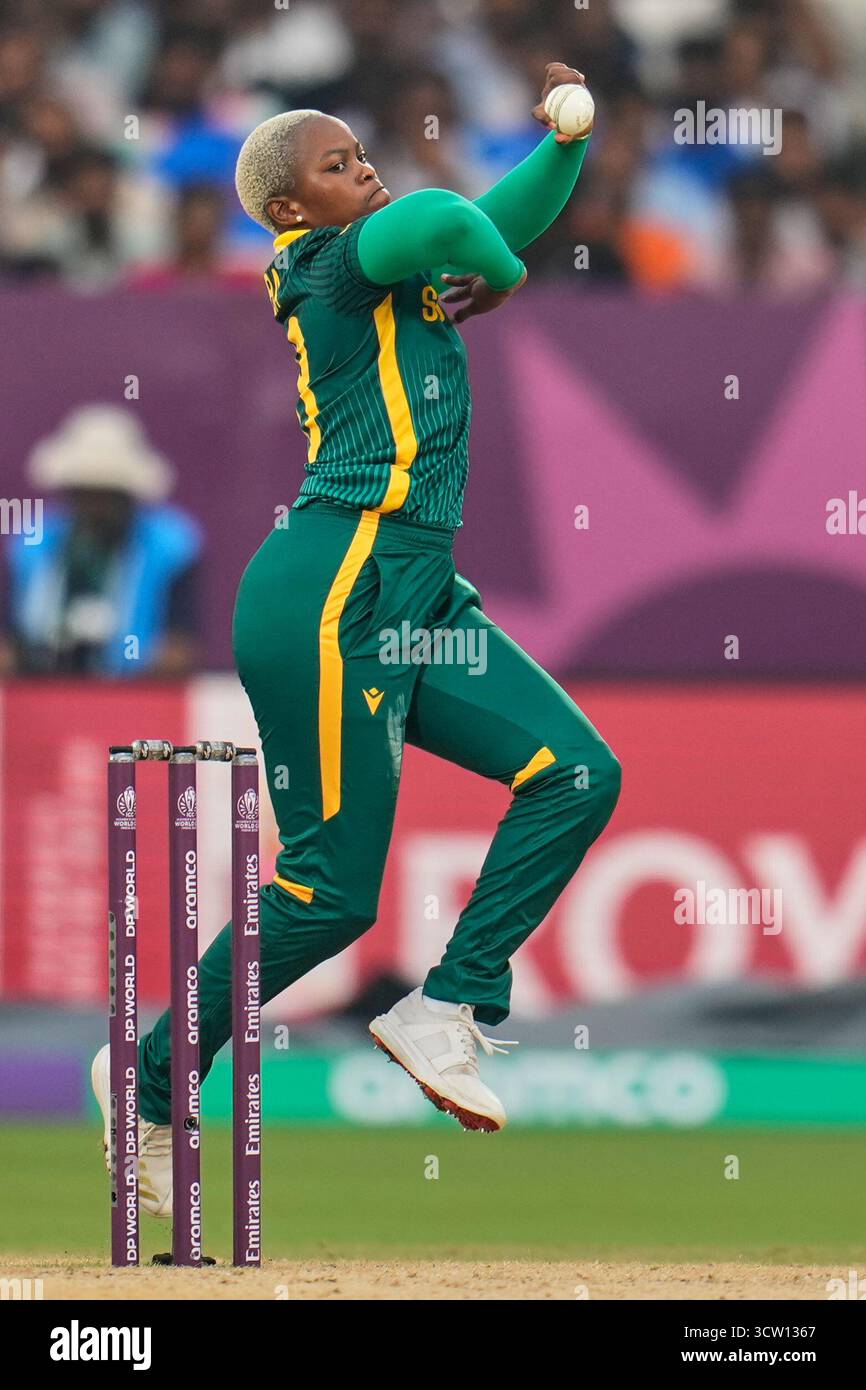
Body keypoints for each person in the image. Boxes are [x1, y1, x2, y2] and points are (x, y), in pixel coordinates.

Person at [92, 61, 621, 1217]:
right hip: (332, 592)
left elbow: (473, 220)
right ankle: (143, 1080)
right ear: (291, 210)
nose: (363, 169)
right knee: (330, 896)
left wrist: (565, 149)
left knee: (577, 771)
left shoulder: (390, 260)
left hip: (416, 595)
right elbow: (449, 221)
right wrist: (502, 268)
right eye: (337, 166)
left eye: (358, 152)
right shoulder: (333, 263)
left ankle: (449, 1006)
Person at [2, 405, 201, 677]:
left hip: (136, 699)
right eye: (85, 494)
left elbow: (179, 650)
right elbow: (7, 647)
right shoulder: (32, 547)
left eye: (107, 496)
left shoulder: (170, 548)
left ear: (129, 497)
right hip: (42, 696)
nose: (95, 509)